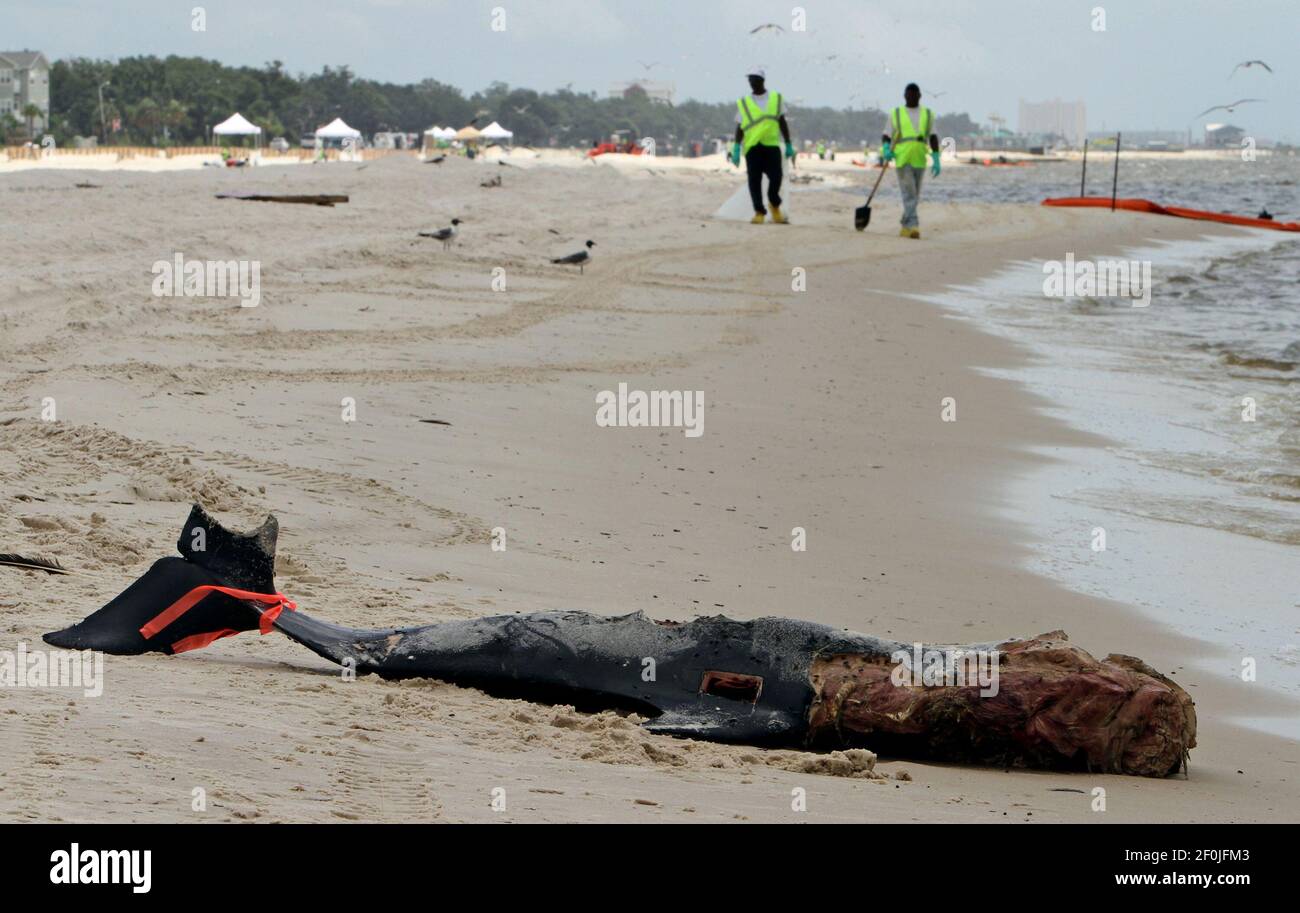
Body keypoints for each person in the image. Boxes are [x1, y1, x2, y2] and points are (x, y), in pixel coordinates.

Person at [731, 67, 796, 224]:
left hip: (771, 145)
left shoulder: (775, 98)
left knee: (776, 177)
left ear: (762, 80)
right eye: (749, 80)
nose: (751, 83)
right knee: (754, 181)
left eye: (754, 79)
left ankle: (774, 203)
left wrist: (788, 143)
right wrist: (736, 147)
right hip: (752, 147)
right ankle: (759, 212)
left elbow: (782, 122)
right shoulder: (745, 103)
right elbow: (740, 126)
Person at [880, 83, 941, 239]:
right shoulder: (896, 113)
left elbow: (933, 136)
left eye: (915, 94)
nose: (912, 96)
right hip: (902, 158)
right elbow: (886, 135)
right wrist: (886, 149)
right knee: (910, 193)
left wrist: (936, 158)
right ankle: (914, 225)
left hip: (920, 158)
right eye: (909, 94)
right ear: (904, 96)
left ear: (920, 96)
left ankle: (905, 225)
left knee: (914, 195)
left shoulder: (928, 114)